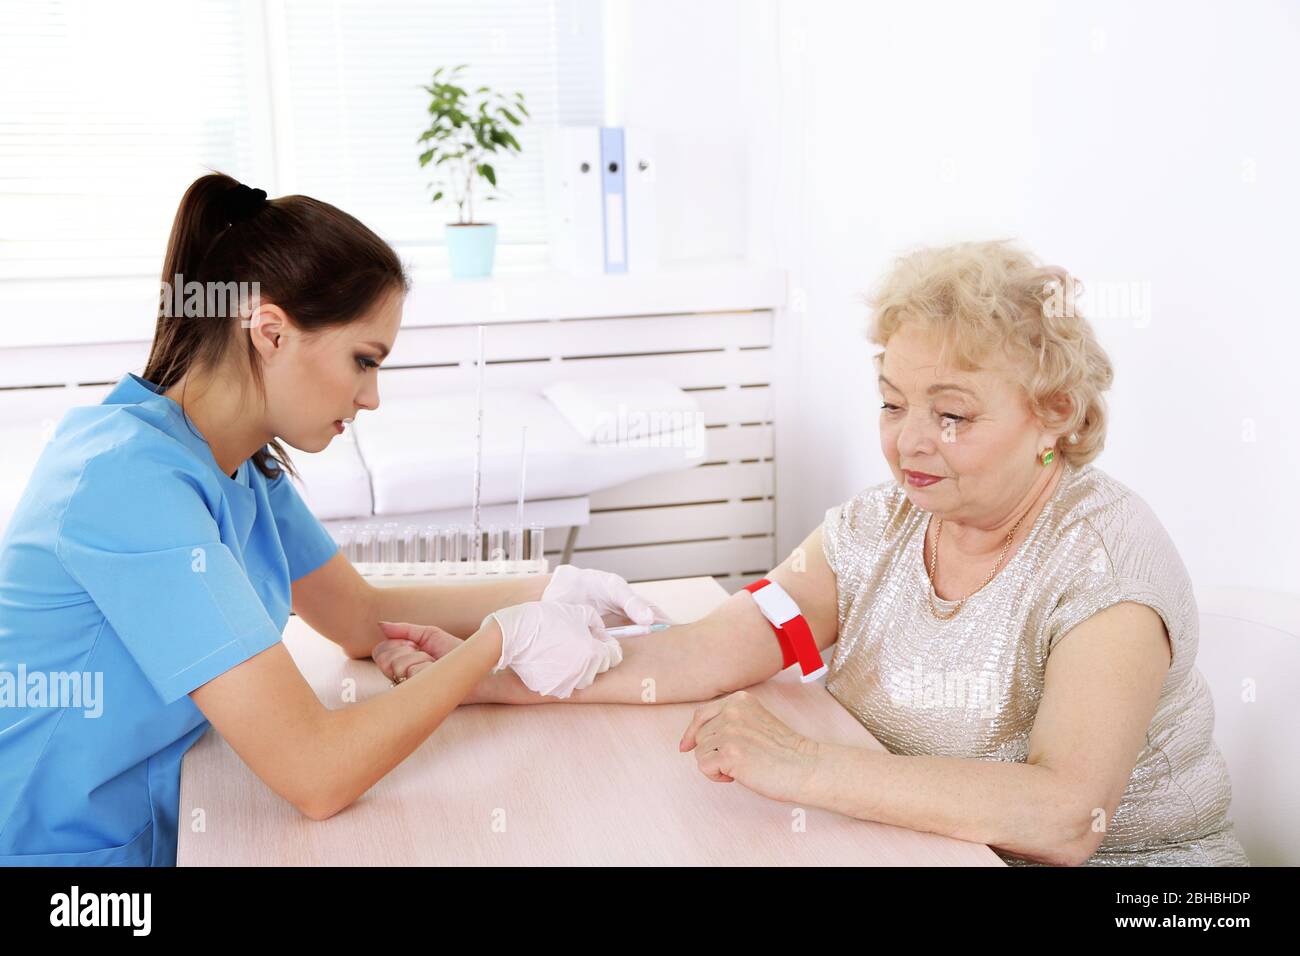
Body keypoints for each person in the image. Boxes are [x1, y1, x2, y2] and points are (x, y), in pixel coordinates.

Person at [376, 240, 1250, 866]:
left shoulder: (1104, 566)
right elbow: (708, 649)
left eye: (952, 414)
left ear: (1054, 413)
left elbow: (1068, 817)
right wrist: (477, 675)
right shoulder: (883, 524)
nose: (910, 443)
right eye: (892, 402)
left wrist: (807, 765)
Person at [0, 173, 656, 866]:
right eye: (363, 361)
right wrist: (495, 644)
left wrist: (545, 591)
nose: (371, 397)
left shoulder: (234, 460)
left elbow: (357, 614)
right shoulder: (126, 482)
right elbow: (316, 774)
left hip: (170, 825)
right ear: (271, 332)